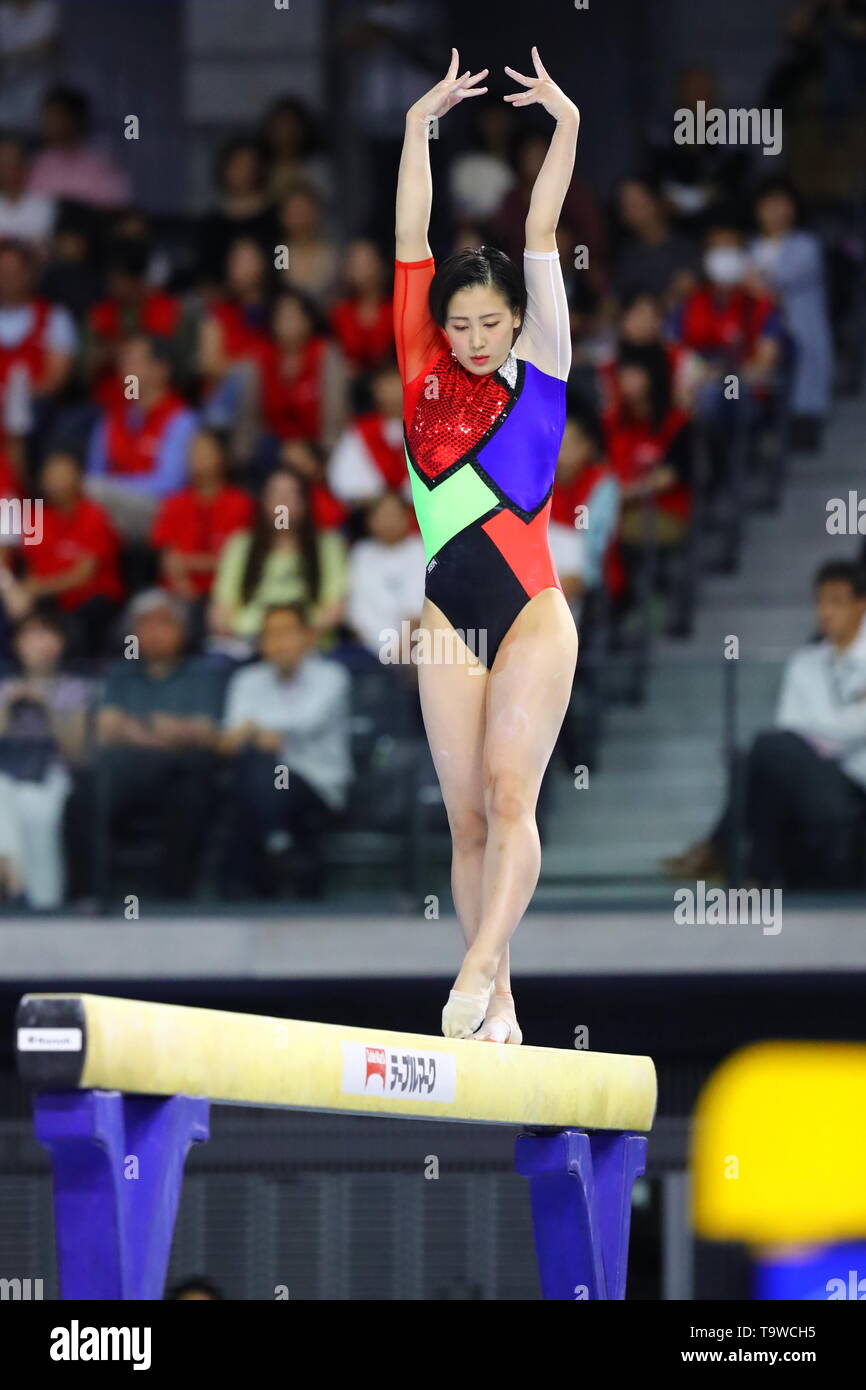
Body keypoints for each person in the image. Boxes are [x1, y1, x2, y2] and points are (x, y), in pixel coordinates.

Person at [394, 47, 579, 1043]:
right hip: (444, 618)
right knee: (464, 818)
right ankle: (497, 999)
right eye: (457, 323)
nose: (469, 337)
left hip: (531, 613)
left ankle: (475, 967)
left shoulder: (543, 371)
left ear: (516, 322)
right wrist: (419, 126)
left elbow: (540, 227)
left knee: (511, 795)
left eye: (487, 322)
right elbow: (407, 233)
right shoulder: (418, 366)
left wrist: (567, 124)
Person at [664, 561, 866, 889]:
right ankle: (754, 872)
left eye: (837, 601)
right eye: (821, 602)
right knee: (769, 755)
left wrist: (817, 731)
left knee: (766, 753)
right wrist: (845, 721)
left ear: (861, 605)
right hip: (811, 779)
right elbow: (791, 725)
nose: (826, 611)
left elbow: (846, 730)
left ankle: (729, 856)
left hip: (855, 784)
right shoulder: (805, 662)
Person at [95, 589, 225, 900]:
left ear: (182, 630)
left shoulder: (204, 674)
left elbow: (208, 733)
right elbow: (105, 729)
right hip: (129, 777)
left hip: (184, 777)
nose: (154, 632)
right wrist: (164, 731)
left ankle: (177, 898)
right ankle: (92, 894)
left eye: (164, 623)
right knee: (89, 788)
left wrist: (135, 729)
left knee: (194, 774)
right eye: (145, 624)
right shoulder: (120, 674)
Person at [221, 602, 351, 898]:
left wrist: (254, 728)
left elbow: (307, 721)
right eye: (271, 634)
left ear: (308, 636)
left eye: (287, 632)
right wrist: (257, 734)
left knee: (259, 771)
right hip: (260, 782)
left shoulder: (332, 675)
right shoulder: (246, 679)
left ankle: (271, 848)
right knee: (257, 766)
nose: (279, 642)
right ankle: (278, 842)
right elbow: (231, 738)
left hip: (317, 784)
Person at [0, 607, 92, 907]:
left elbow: (76, 750)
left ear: (60, 642)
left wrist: (47, 705)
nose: (39, 643)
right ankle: (22, 887)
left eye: (46, 633)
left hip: (51, 774)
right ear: (18, 644)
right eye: (30, 635)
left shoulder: (74, 688)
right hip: (7, 772)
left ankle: (41, 900)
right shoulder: (4, 688)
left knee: (37, 813)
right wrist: (8, 707)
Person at [210, 467, 347, 647]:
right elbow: (222, 606)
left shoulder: (329, 546)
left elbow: (335, 606)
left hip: (311, 644)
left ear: (304, 503)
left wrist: (299, 640)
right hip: (250, 641)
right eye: (276, 495)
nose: (282, 503)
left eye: (290, 495)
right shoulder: (240, 545)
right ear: (264, 502)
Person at [85, 335, 198, 540]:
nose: (125, 368)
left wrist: (115, 486)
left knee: (93, 491)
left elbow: (171, 483)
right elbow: (94, 471)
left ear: (160, 369)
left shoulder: (180, 419)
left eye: (134, 361)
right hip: (112, 507)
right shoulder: (112, 419)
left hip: (159, 511)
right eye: (123, 361)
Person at [749, 176, 833, 450]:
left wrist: (750, 281)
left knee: (799, 397)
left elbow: (775, 283)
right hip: (758, 336)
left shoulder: (806, 246)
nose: (774, 210)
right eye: (767, 203)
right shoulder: (749, 247)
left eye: (780, 203)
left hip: (796, 330)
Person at [345, 490, 425, 660]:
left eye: (394, 514)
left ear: (408, 518)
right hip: (366, 647)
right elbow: (357, 608)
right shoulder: (361, 553)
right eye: (382, 514)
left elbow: (415, 609)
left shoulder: (419, 549)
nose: (389, 521)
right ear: (371, 520)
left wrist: (399, 650)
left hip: (411, 646)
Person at [28, 85, 132, 210]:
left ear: (75, 119)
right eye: (47, 118)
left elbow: (116, 207)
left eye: (57, 118)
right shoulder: (38, 164)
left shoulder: (100, 165)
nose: (49, 124)